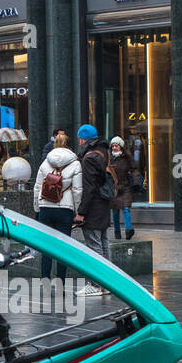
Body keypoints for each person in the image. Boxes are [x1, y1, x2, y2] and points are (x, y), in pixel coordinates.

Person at [32, 141, 81, 281]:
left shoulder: (45, 163)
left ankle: (45, 279)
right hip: (65, 210)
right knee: (63, 248)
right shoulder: (75, 164)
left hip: (45, 208)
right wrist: (77, 211)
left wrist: (37, 208)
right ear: (68, 147)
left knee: (46, 247)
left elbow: (37, 187)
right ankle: (60, 283)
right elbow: (77, 191)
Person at [73, 124, 112, 298]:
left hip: (94, 207)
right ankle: (109, 282)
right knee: (104, 244)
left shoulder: (88, 158)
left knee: (94, 246)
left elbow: (88, 189)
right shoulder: (104, 152)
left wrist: (81, 212)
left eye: (79, 138)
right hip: (104, 204)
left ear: (83, 139)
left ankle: (96, 284)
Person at [107, 136, 135, 240]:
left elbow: (134, 170)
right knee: (115, 211)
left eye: (116, 146)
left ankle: (128, 231)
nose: (114, 148)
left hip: (125, 186)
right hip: (114, 188)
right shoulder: (108, 158)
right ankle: (117, 233)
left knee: (126, 209)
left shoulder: (127, 158)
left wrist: (136, 184)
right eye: (113, 146)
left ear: (121, 147)